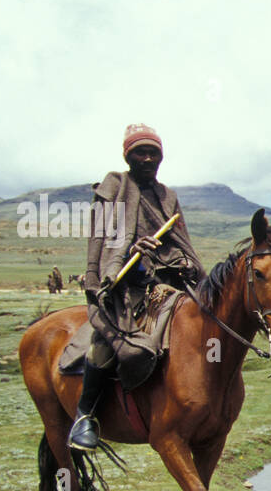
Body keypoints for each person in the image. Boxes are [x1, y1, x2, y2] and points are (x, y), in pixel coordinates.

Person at [69, 124, 205, 450]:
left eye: (153, 153)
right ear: (127, 156)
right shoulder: (114, 187)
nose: (147, 158)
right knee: (111, 339)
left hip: (167, 285)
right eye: (139, 153)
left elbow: (179, 241)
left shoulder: (167, 196)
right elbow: (102, 238)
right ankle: (84, 416)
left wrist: (185, 263)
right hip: (123, 288)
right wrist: (130, 252)